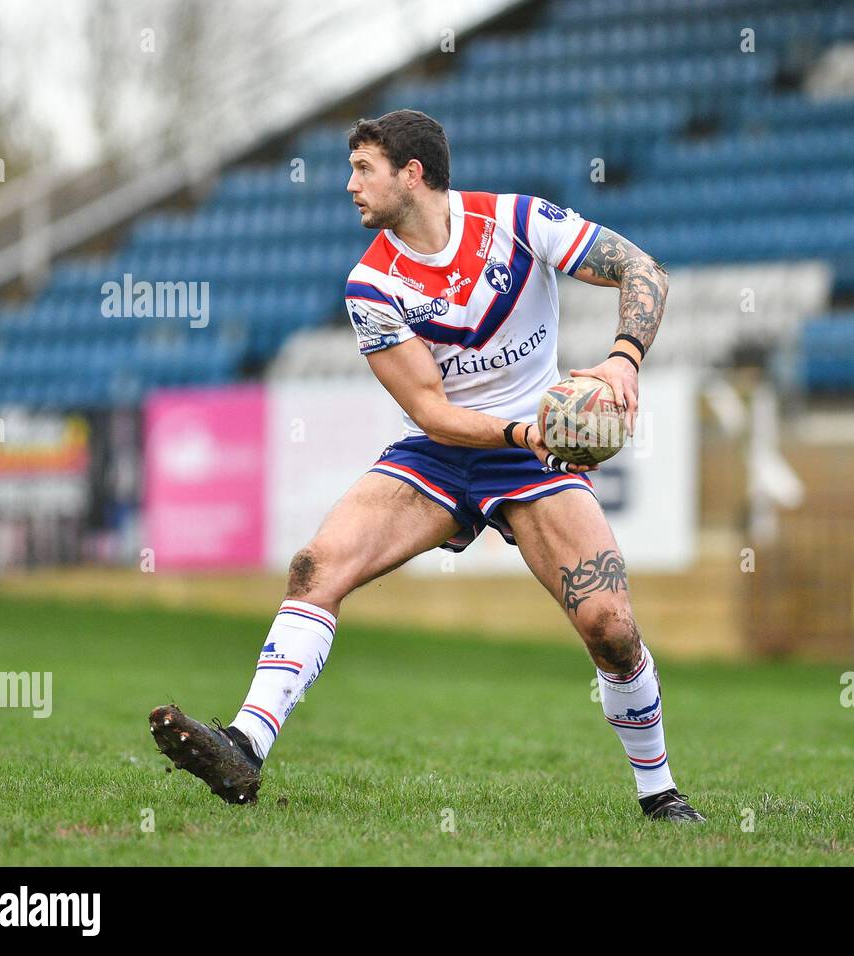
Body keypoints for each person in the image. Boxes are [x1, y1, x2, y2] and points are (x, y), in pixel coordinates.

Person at [150, 109, 704, 822]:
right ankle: (245, 744)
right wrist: (525, 430)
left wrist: (624, 359)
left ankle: (658, 792)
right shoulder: (371, 284)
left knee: (610, 626)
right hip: (442, 451)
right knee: (317, 566)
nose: (350, 185)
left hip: (531, 458)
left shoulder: (516, 221)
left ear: (412, 174)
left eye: (363, 169)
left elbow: (639, 267)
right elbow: (436, 412)